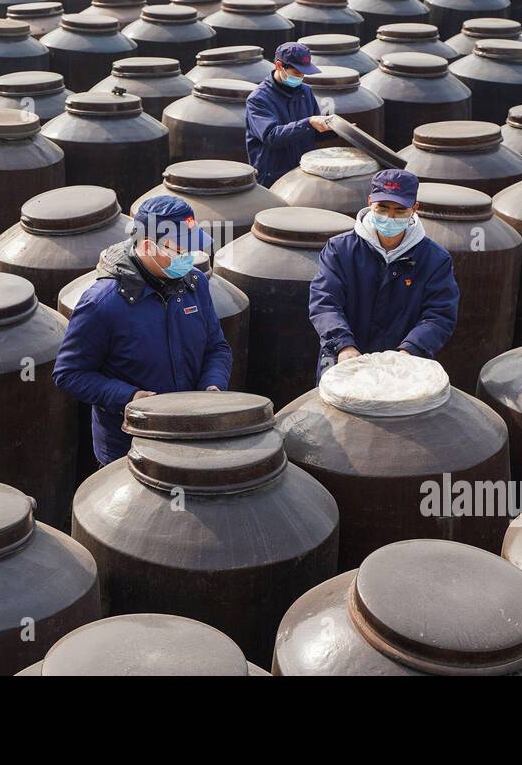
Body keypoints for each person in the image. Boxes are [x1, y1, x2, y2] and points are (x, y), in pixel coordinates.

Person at [53, 195, 233, 466]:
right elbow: (69, 374)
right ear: (148, 246)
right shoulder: (104, 303)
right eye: (179, 251)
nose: (188, 258)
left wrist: (213, 385)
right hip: (129, 449)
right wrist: (129, 398)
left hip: (191, 435)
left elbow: (216, 347)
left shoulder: (195, 284)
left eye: (191, 250)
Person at [308, 168, 459, 378]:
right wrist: (343, 346)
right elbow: (325, 302)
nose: (390, 216)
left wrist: (410, 350)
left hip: (404, 368)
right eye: (383, 207)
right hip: (342, 360)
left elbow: (439, 315)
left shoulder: (434, 259)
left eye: (400, 210)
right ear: (370, 202)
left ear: (415, 208)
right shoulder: (340, 250)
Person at [245, 41, 336, 189]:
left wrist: (334, 128)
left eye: (303, 73)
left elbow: (313, 131)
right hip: (272, 177)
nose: (300, 77)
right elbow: (271, 136)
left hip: (302, 174)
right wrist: (308, 122)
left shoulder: (305, 91)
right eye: (297, 73)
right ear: (279, 66)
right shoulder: (258, 99)